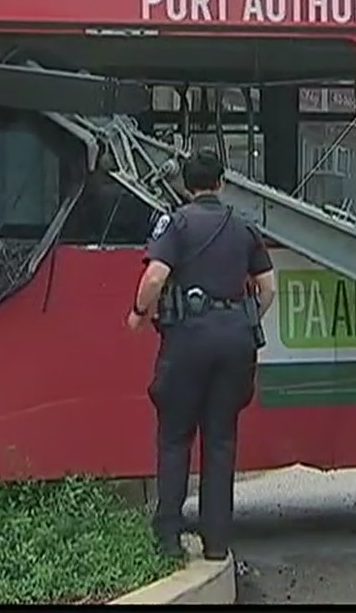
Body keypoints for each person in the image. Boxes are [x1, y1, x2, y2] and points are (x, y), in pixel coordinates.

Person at [125, 149, 277, 561]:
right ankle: (216, 541)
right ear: (222, 183)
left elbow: (155, 275)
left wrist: (139, 313)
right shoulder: (244, 228)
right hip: (235, 345)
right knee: (221, 440)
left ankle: (170, 538)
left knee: (175, 438)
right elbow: (268, 289)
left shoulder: (174, 224)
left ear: (187, 185)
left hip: (187, 341)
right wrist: (239, 321)